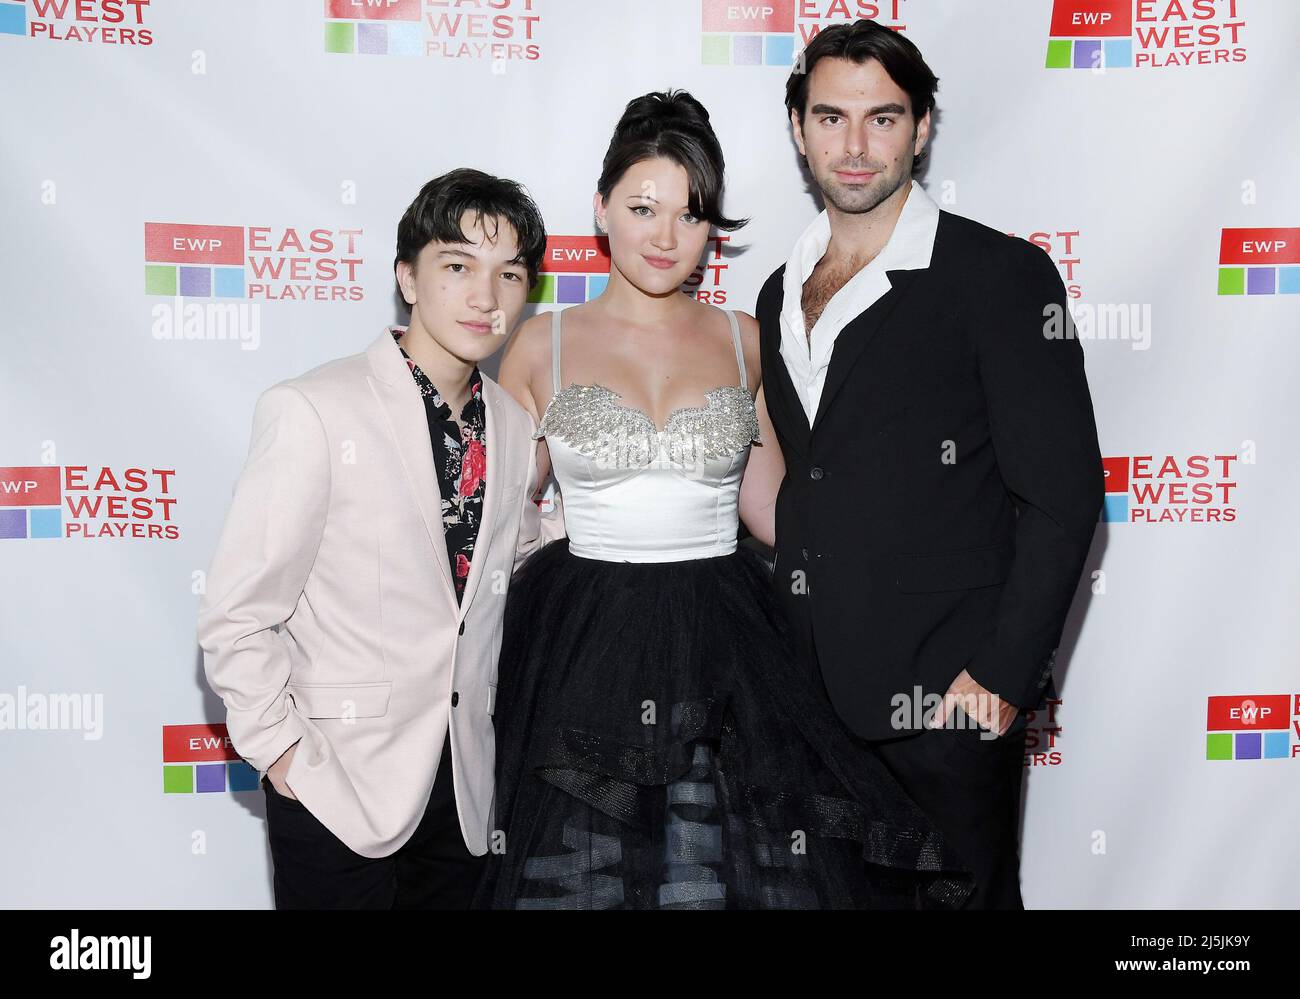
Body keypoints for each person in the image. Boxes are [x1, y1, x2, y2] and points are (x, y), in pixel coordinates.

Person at [473, 90, 975, 909]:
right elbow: (503, 517)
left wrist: (920, 565)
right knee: (590, 877)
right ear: (601, 210)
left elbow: (777, 511)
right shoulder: (541, 340)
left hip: (729, 641)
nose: (665, 237)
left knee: (716, 878)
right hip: (584, 644)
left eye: (691, 213)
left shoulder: (743, 338)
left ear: (713, 227)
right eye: (642, 208)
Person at [755, 21, 1104, 908]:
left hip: (944, 707)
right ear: (798, 128)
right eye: (831, 117)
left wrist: (994, 682)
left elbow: (1064, 499)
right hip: (809, 699)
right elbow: (814, 480)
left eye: (884, 117)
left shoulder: (1000, 276)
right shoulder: (775, 289)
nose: (856, 145)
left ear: (922, 127)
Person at [197, 168, 560, 908]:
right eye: (457, 266)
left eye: (508, 274)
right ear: (408, 277)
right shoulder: (314, 409)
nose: (484, 296)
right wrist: (286, 755)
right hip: (341, 789)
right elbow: (237, 614)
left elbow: (518, 563)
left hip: (464, 795)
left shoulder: (517, 428)